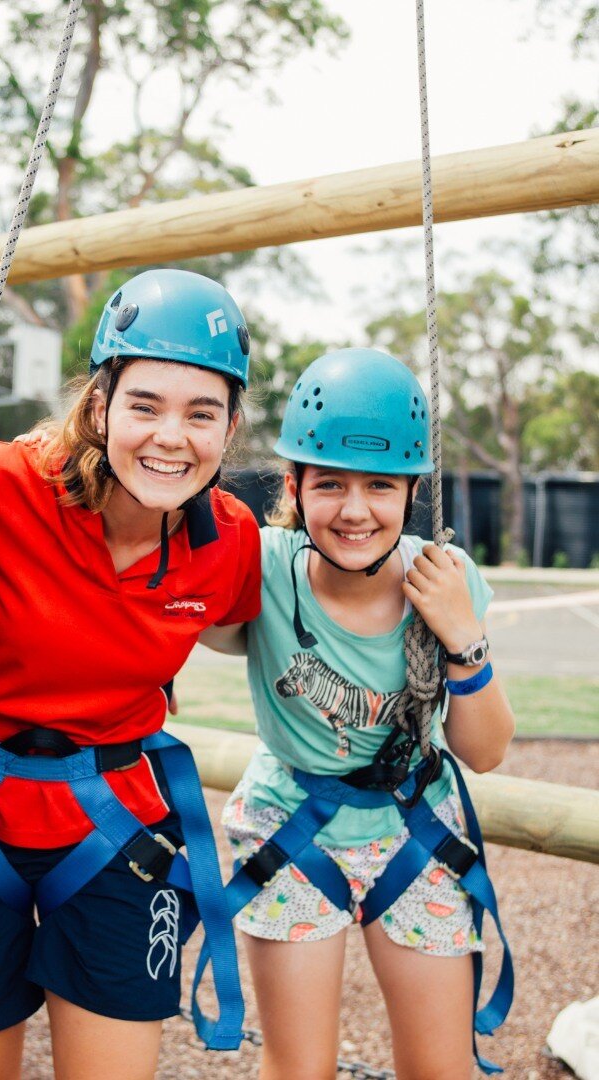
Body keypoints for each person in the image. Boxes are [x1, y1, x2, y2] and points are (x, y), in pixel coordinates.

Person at [0, 269, 263, 1080]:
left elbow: (292, 609)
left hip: (115, 823)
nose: (172, 436)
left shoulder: (231, 541)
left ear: (230, 428)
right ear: (100, 407)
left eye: (202, 414)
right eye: (145, 406)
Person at [214, 348, 516, 1079]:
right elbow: (168, 597)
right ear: (294, 485)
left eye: (379, 486)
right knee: (299, 1068)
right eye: (331, 486)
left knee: (441, 1070)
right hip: (294, 823)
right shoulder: (260, 567)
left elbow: (486, 751)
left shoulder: (442, 579)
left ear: (411, 491)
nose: (355, 510)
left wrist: (461, 638)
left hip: (412, 824)